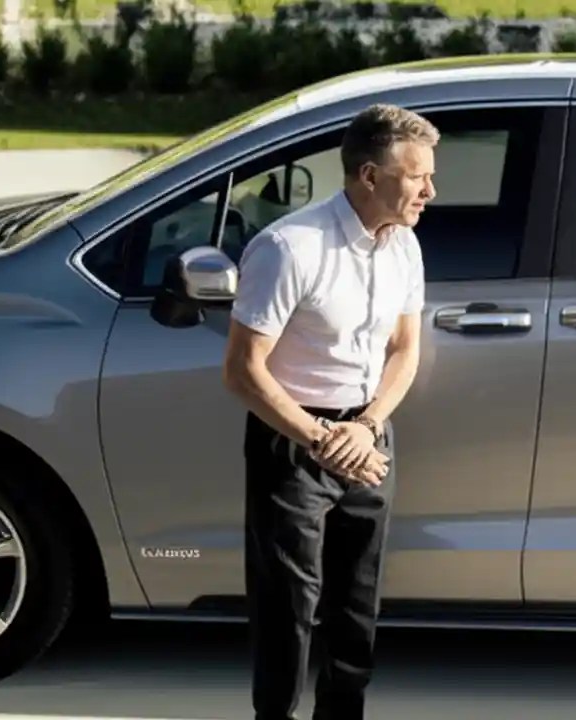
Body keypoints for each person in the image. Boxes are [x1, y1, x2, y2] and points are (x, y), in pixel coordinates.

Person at [222, 103, 438, 719]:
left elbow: (404, 350)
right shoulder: (289, 247)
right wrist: (321, 438)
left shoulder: (404, 246)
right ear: (370, 176)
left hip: (369, 437)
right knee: (287, 606)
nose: (431, 191)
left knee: (356, 607)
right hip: (292, 438)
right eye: (417, 176)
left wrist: (365, 428)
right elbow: (243, 370)